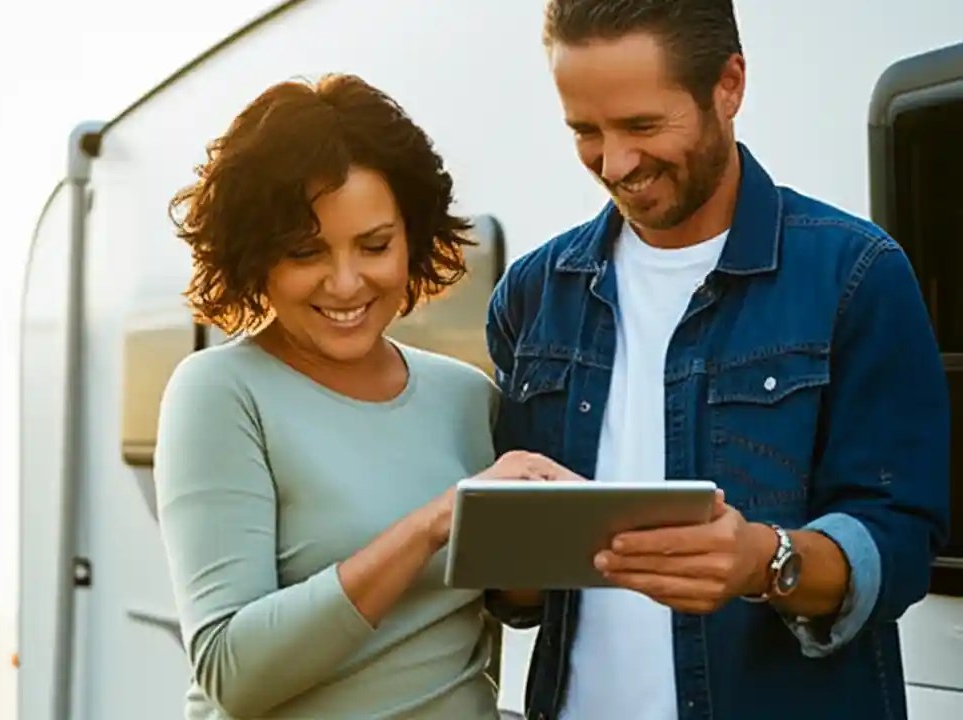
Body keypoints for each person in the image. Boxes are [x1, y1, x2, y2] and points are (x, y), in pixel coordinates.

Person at [484, 1, 951, 719]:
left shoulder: (855, 274)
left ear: (729, 85)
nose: (614, 163)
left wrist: (766, 562)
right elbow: (522, 593)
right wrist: (498, 548)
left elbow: (899, 545)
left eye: (642, 126)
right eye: (586, 131)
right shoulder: (533, 294)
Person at [153, 73, 574, 720]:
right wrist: (433, 524)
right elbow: (230, 672)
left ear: (413, 236)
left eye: (375, 246)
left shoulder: (466, 397)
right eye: (305, 252)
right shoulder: (220, 393)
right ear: (255, 256)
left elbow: (502, 609)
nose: (346, 282)